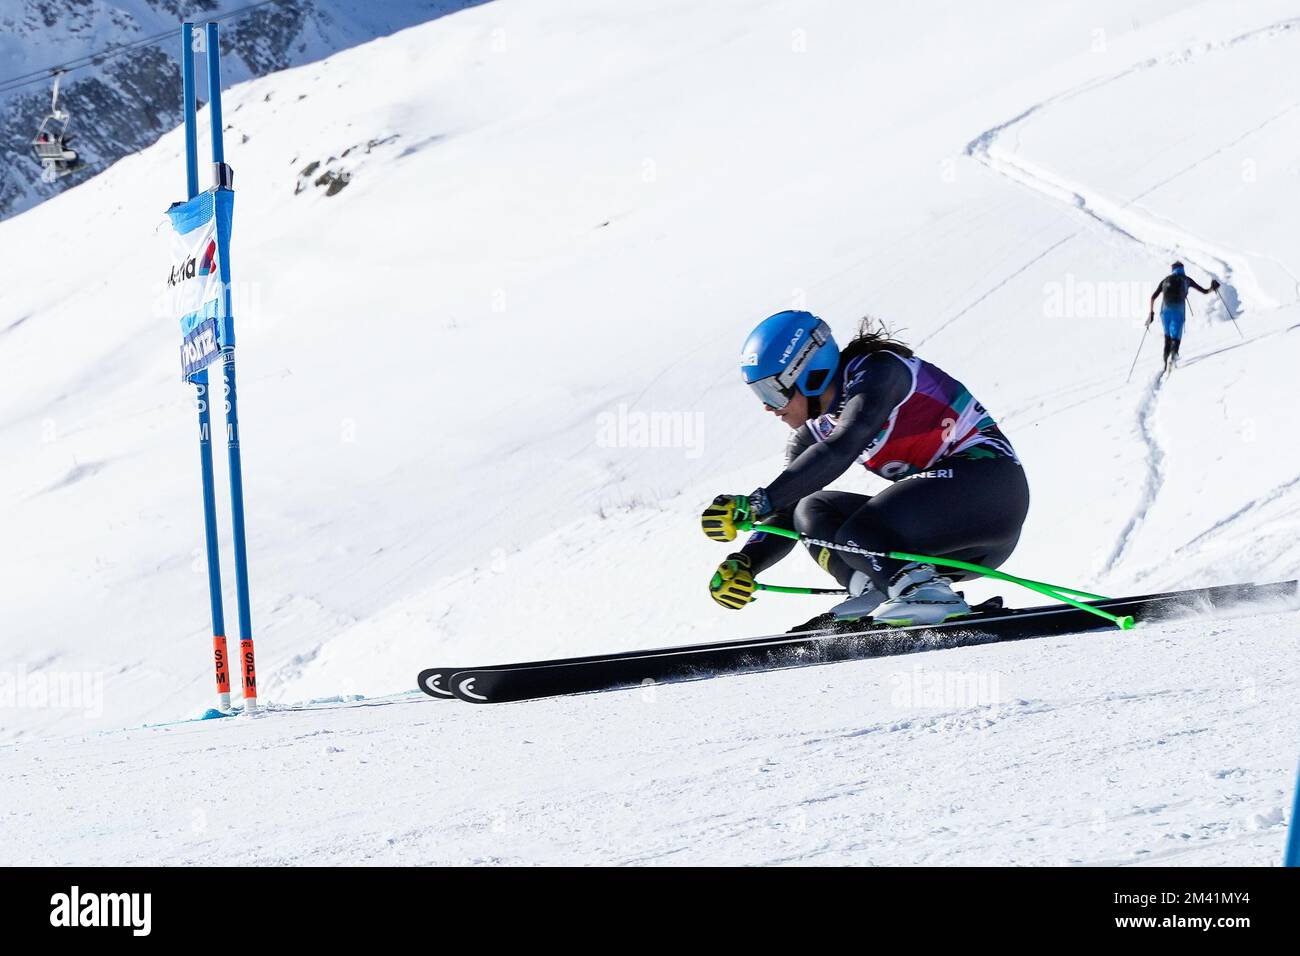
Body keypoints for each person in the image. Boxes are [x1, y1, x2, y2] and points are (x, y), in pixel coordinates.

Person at [701, 310, 1030, 626]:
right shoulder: (813, 432)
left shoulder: (879, 372)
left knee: (859, 531)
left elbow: (844, 445)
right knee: (812, 510)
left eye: (771, 391)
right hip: (946, 531)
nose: (767, 406)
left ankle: (923, 593)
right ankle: (878, 588)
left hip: (993, 491)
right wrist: (746, 563)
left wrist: (757, 502)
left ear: (806, 372)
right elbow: (785, 509)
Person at [1147, 262, 1218, 369]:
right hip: (1178, 311)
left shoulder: (1165, 280)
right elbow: (1204, 291)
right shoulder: (1186, 279)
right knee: (1176, 336)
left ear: (1172, 269)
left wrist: (1151, 314)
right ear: (1182, 269)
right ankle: (1173, 356)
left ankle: (1165, 362)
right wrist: (1213, 287)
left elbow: (1153, 297)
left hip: (1164, 312)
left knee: (1167, 337)